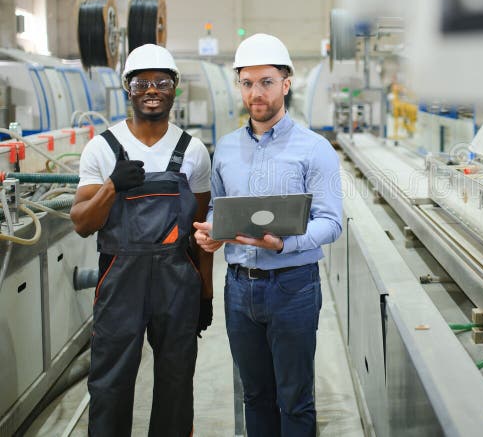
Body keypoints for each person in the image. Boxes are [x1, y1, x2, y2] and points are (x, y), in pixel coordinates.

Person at [193, 33, 342, 437]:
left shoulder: (314, 149)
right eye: (247, 83)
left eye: (266, 82)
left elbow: (331, 222)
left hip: (293, 287)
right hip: (239, 289)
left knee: (295, 399)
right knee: (255, 395)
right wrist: (212, 233)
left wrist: (285, 244)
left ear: (286, 84)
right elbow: (216, 208)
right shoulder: (224, 149)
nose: (256, 93)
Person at [70, 44, 214, 436]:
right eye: (142, 82)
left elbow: (202, 229)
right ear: (127, 89)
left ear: (175, 89)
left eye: (162, 82)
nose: (152, 89)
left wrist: (205, 292)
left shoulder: (193, 152)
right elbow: (81, 223)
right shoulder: (102, 148)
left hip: (176, 280)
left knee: (176, 381)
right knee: (110, 383)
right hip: (121, 278)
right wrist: (111, 188)